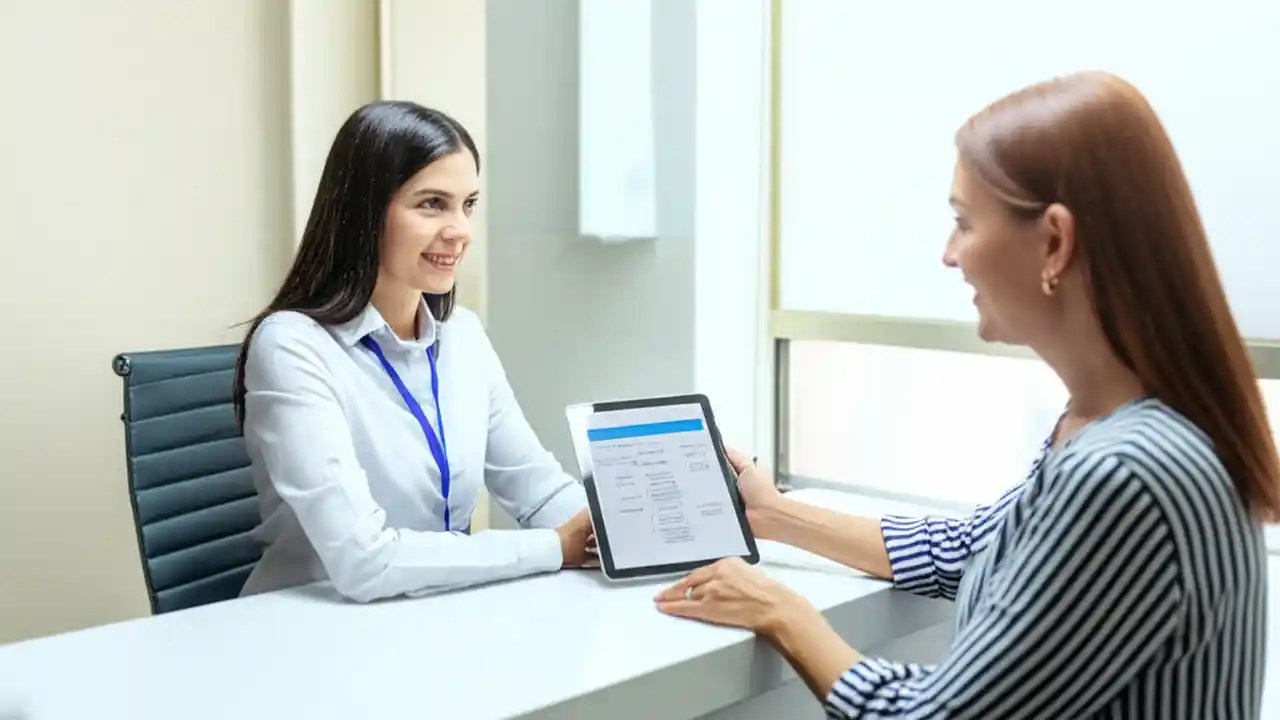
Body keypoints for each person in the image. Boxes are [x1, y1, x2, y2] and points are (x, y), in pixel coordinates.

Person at [656, 71, 1277, 718]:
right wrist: (773, 514)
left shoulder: (1122, 476)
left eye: (963, 222)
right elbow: (974, 549)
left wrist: (783, 612)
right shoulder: (1112, 425)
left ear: (1056, 242)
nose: (949, 255)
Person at [233, 101, 594, 602]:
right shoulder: (292, 346)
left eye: (467, 204)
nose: (460, 230)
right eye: (432, 204)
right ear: (364, 211)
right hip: (315, 633)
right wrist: (555, 547)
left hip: (431, 619)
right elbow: (364, 561)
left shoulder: (462, 336)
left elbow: (539, 490)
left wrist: (629, 529)